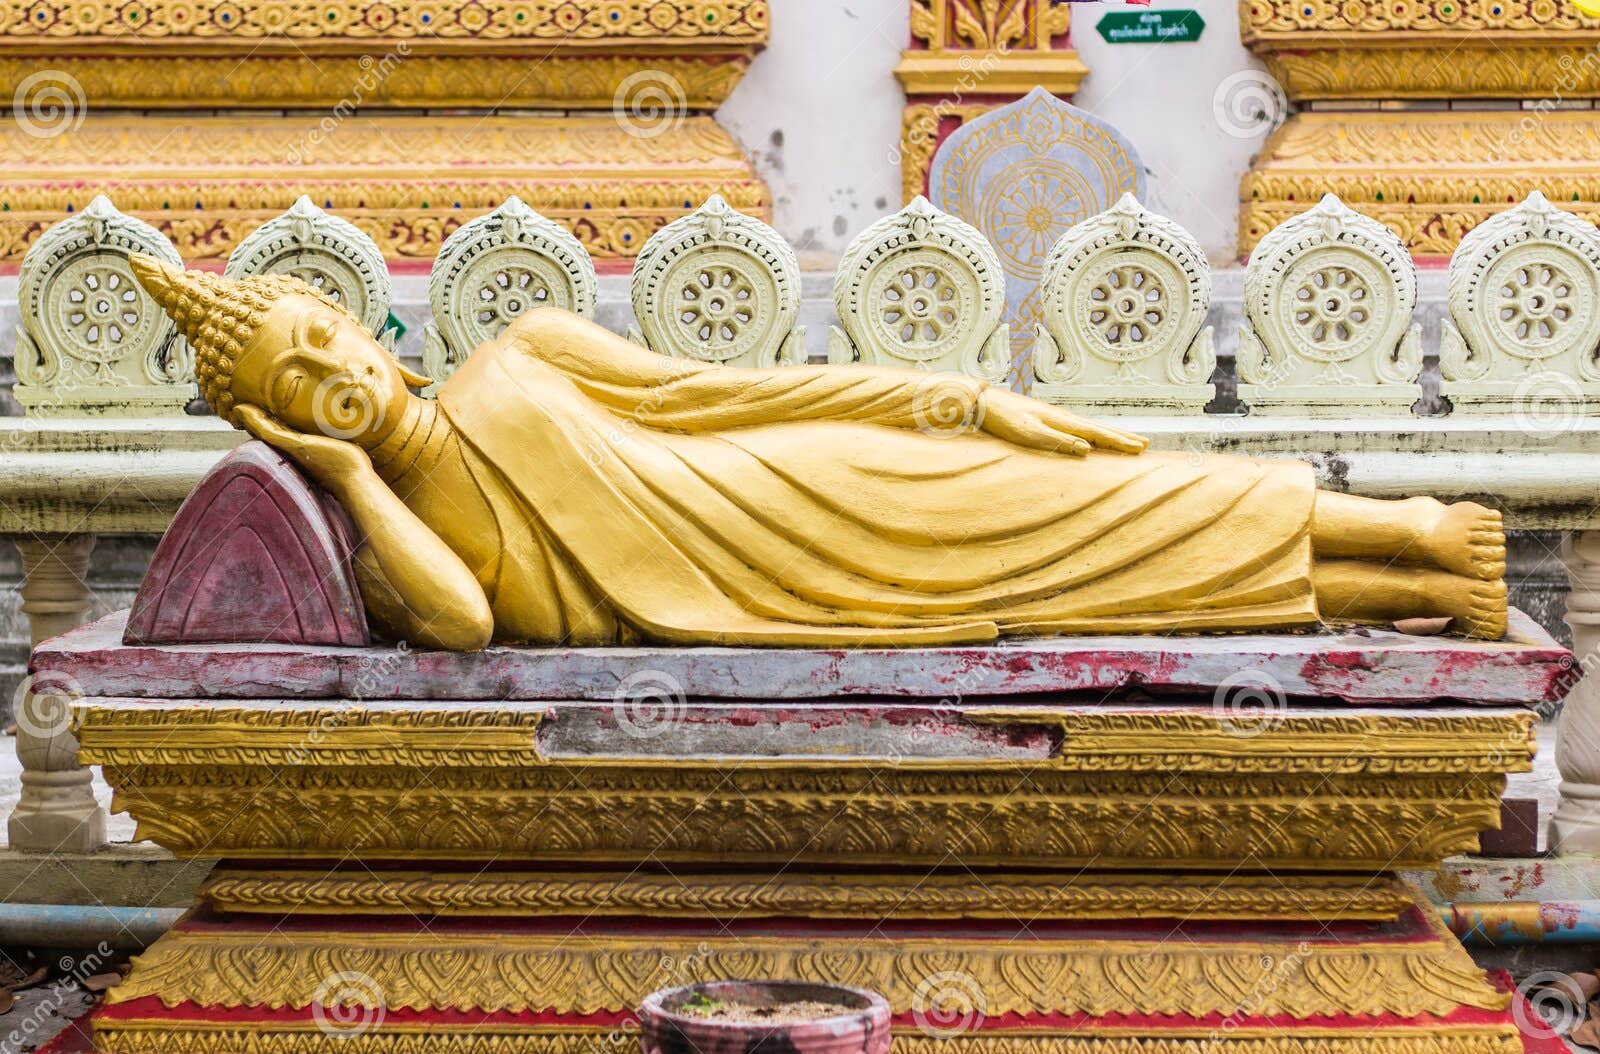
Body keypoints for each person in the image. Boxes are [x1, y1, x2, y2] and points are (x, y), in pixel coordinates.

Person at [130, 256, 1506, 652]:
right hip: (788, 606)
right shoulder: (387, 552)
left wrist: (958, 405)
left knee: (1100, 498)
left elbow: (741, 399)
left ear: (363, 320)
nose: (333, 377)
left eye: (319, 337)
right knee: (1110, 585)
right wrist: (357, 475)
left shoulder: (524, 354)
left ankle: (1407, 521)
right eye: (291, 390)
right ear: (281, 425)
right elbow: (472, 621)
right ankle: (1414, 587)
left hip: (814, 490)